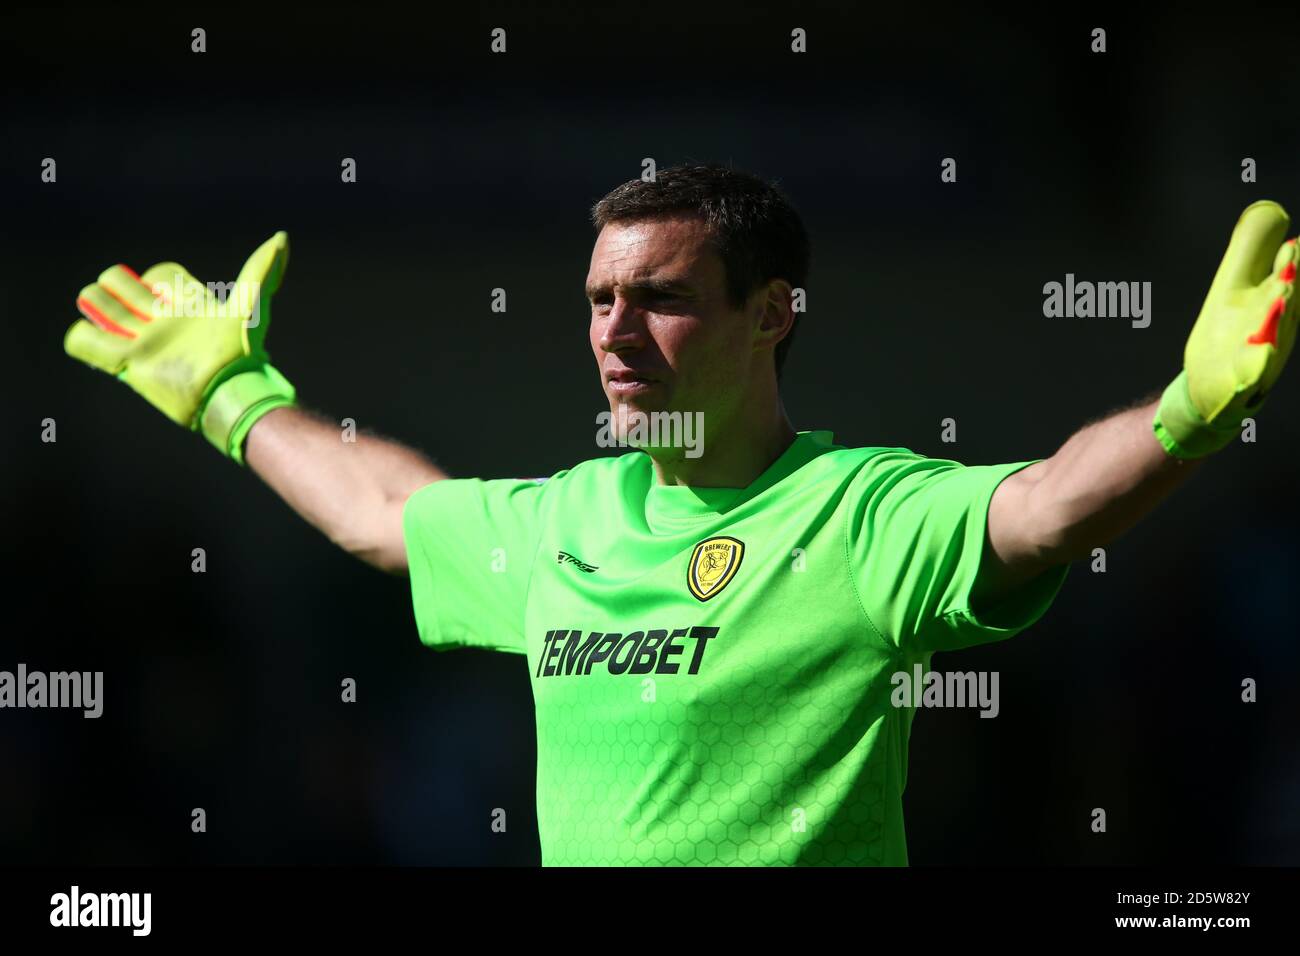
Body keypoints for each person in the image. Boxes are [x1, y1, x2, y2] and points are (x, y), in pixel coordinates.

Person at [64, 164, 1298, 865]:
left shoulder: (859, 512)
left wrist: (1189, 407)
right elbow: (384, 510)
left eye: (656, 298)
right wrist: (230, 394)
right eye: (597, 298)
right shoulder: (564, 519)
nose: (612, 329)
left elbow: (1042, 507)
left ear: (771, 313)